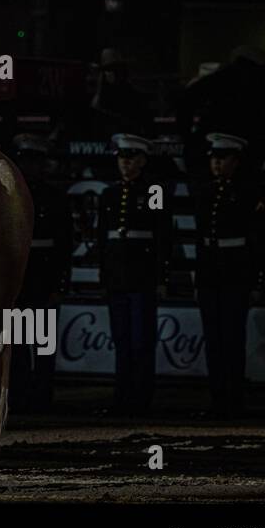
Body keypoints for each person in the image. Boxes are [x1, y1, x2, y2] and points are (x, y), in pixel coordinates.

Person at [192, 132, 265, 418]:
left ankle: (233, 398)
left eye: (222, 158)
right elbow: (201, 237)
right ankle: (218, 397)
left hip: (235, 270)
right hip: (212, 270)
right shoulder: (206, 191)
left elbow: (257, 239)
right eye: (214, 158)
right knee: (214, 338)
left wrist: (256, 278)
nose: (217, 164)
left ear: (235, 161)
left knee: (232, 338)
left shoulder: (247, 193)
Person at [96, 133, 169, 415]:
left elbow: (162, 235)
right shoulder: (110, 193)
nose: (124, 165)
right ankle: (122, 396)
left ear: (141, 160)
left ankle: (141, 398)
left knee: (141, 341)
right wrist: (104, 275)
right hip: (118, 275)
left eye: (130, 159)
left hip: (142, 275)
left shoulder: (152, 191)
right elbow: (104, 239)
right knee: (122, 340)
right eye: (121, 160)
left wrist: (162, 276)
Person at [9, 133, 72, 411]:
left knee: (43, 345)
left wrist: (59, 284)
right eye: (25, 161)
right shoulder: (10, 196)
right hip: (18, 278)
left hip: (44, 277)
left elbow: (65, 245)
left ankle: (42, 395)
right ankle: (21, 395)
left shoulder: (56, 198)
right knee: (19, 345)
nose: (30, 168)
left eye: (35, 161)